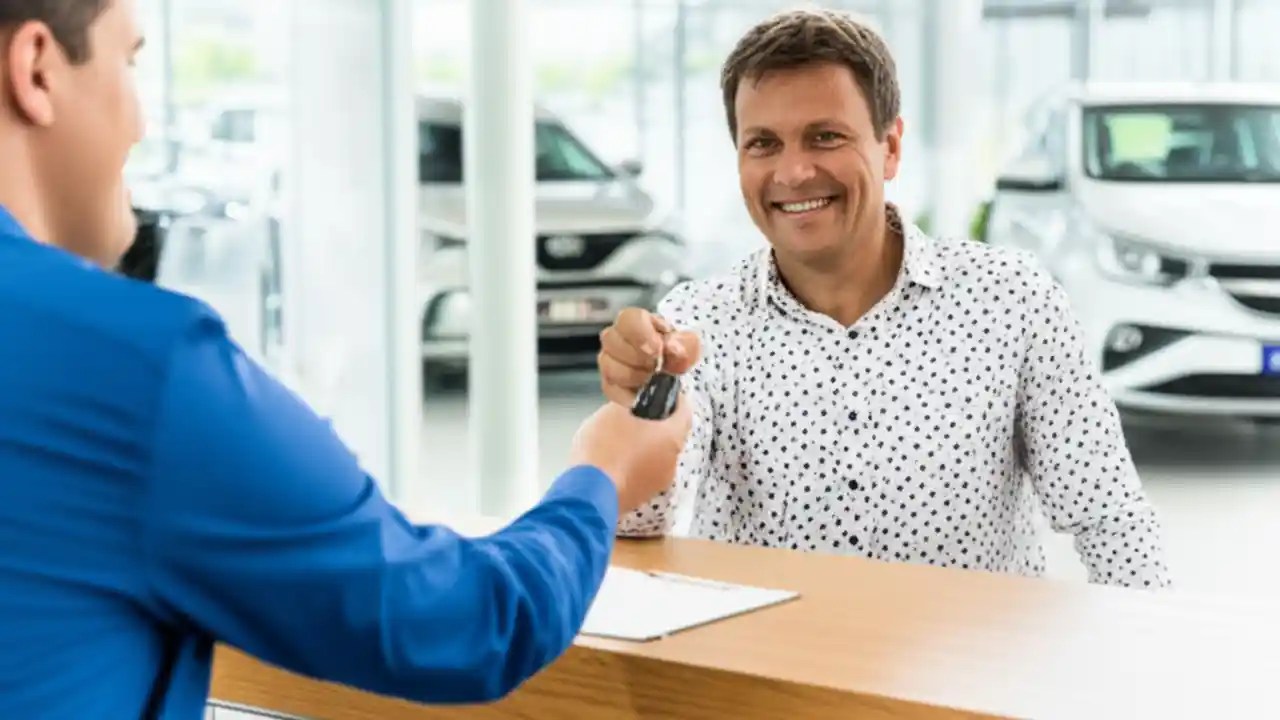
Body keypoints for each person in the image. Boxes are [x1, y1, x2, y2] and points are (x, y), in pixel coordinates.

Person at [0, 1, 691, 717]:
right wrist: (603, 471)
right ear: (38, 69)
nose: (142, 123)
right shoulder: (139, 369)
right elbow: (469, 621)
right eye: (131, 61)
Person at [597, 8, 1173, 590]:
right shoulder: (698, 323)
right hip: (768, 669)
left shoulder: (1013, 301)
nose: (793, 172)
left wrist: (1154, 662)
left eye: (825, 136)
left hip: (968, 674)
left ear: (890, 146)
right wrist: (642, 408)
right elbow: (641, 521)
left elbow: (1108, 517)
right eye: (762, 144)